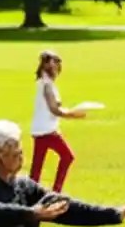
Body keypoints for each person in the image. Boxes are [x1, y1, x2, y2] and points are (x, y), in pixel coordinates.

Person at [29, 50, 87, 193]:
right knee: (67, 157)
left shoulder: (43, 82)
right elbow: (54, 109)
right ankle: (56, 190)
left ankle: (29, 192)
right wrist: (74, 115)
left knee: (37, 167)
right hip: (47, 131)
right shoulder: (47, 85)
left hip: (40, 129)